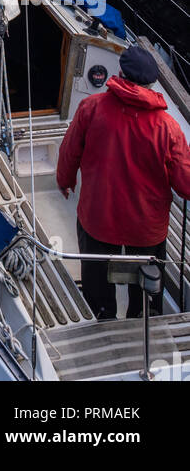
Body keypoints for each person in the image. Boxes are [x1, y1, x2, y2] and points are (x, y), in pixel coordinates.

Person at [56, 45, 190, 321]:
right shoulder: (168, 128)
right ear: (153, 84)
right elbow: (185, 185)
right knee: (145, 279)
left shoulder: (90, 108)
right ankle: (141, 315)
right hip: (146, 226)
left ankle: (102, 313)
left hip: (98, 218)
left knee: (96, 275)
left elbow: (70, 151)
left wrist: (65, 179)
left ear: (120, 74)